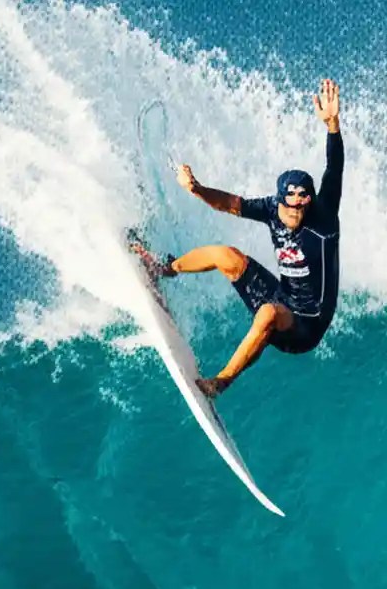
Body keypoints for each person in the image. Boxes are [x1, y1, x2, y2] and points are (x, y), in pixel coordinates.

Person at [131, 78, 344, 398]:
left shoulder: (323, 220)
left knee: (268, 314)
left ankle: (220, 382)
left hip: (306, 326)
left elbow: (334, 168)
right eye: (293, 202)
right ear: (281, 200)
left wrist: (332, 126)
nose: (298, 208)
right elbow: (231, 204)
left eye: (305, 200)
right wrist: (197, 189)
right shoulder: (272, 209)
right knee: (225, 255)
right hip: (282, 297)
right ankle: (165, 269)